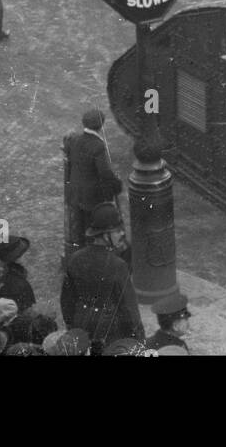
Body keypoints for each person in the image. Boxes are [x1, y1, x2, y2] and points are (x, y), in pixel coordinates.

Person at [59, 202, 144, 351]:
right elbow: (130, 310)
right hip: (111, 332)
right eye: (117, 231)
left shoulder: (75, 258)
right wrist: (139, 339)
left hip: (81, 326)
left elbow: (66, 301)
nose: (122, 234)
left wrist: (73, 327)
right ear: (106, 235)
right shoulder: (118, 265)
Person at [62, 108, 123, 253]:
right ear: (101, 125)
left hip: (76, 192)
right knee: (92, 226)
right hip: (91, 196)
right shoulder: (98, 146)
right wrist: (116, 184)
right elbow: (104, 172)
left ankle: (80, 251)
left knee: (80, 226)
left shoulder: (76, 140)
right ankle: (92, 253)